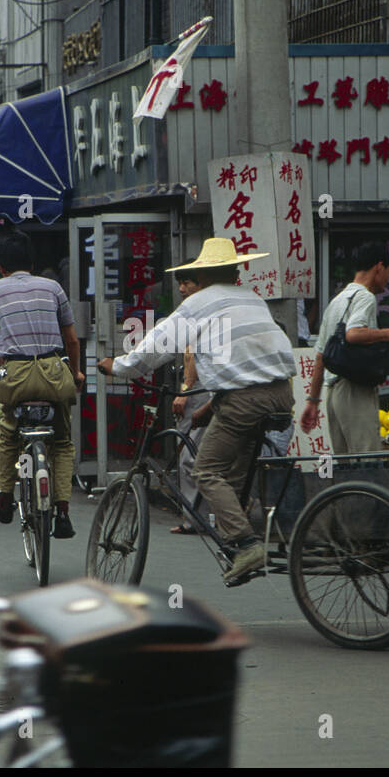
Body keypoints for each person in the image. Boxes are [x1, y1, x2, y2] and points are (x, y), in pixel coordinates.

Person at [99, 237, 296, 584]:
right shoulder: (251, 298)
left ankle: (249, 545)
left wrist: (117, 366)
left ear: (202, 277)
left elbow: (154, 348)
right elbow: (239, 366)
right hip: (281, 395)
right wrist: (213, 404)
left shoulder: (199, 303)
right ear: (234, 272)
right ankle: (239, 545)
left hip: (246, 402)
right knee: (232, 475)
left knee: (205, 471)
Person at [0, 235, 84, 538]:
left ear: (1, 267)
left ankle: (2, 490)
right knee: (62, 442)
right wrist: (75, 374)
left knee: (7, 432)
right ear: (32, 263)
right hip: (54, 372)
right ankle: (63, 509)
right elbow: (72, 341)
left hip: (14, 376)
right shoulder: (53, 288)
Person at [300, 240, 389, 452]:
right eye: (388, 270)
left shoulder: (337, 301)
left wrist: (313, 401)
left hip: (333, 393)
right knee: (367, 461)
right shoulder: (365, 297)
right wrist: (386, 334)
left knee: (345, 466)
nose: (388, 278)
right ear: (379, 267)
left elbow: (320, 356)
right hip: (354, 390)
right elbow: (353, 334)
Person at [170, 272, 213, 534]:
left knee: (190, 455)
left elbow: (192, 356)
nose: (183, 288)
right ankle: (195, 517)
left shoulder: (201, 312)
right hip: (200, 388)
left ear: (202, 284)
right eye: (180, 284)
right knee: (192, 453)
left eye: (188, 283)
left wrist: (183, 391)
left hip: (199, 390)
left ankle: (197, 518)